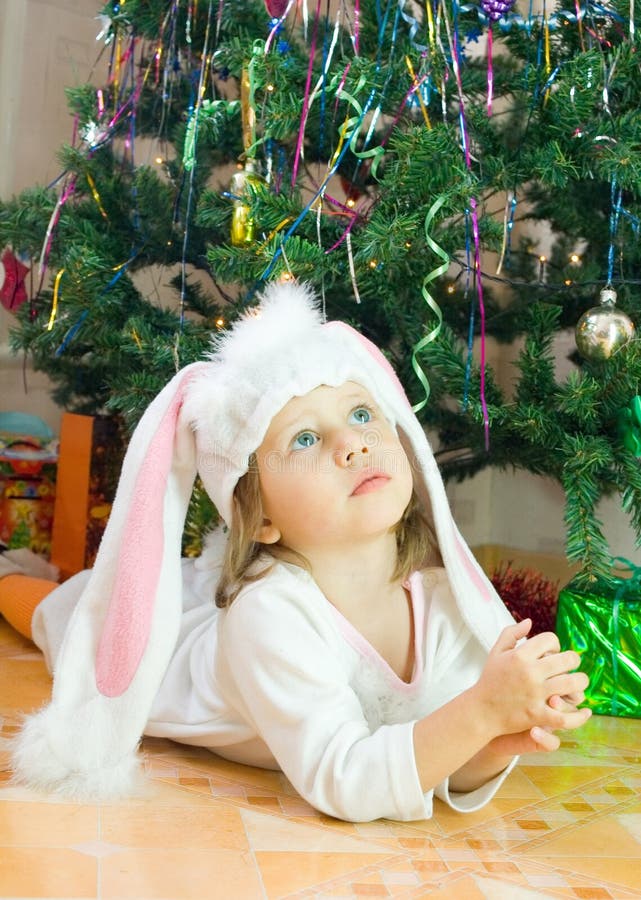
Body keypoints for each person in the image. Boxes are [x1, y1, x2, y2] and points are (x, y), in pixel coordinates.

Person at [2, 281, 591, 823]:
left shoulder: (438, 596)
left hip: (229, 602)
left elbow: (432, 754)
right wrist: (480, 713)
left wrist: (495, 736)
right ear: (258, 519)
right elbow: (346, 780)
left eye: (362, 414)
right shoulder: (267, 618)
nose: (352, 443)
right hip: (183, 641)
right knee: (69, 610)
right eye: (305, 438)